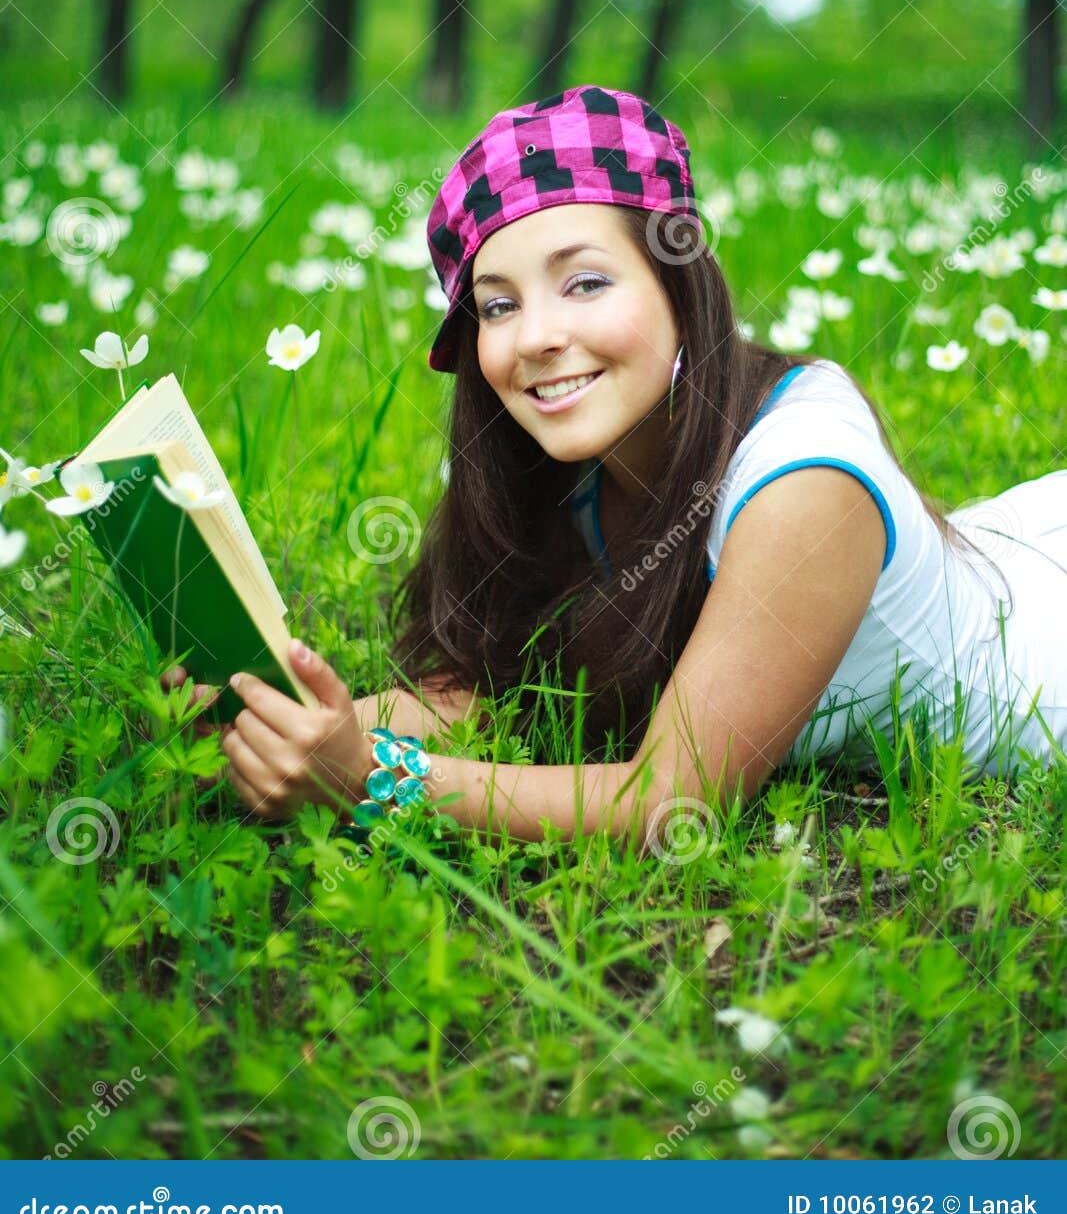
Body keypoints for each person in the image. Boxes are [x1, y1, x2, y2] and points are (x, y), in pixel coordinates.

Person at [169, 84, 1067, 850]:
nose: (538, 337)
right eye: (497, 305)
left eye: (586, 282)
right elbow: (491, 694)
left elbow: (671, 804)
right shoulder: (577, 457)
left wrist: (375, 780)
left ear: (678, 279)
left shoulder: (805, 485)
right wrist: (277, 717)